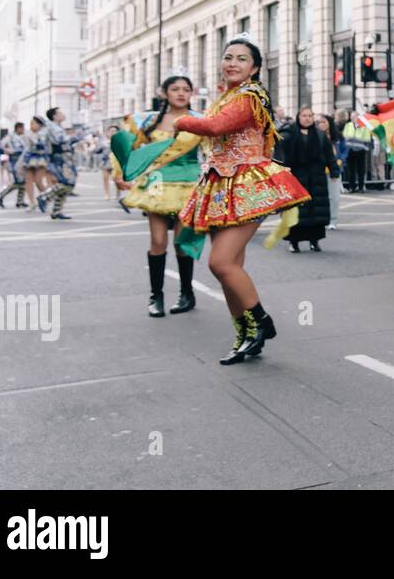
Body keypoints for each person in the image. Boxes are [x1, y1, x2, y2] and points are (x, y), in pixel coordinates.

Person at [175, 36, 311, 364]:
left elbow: (215, 126)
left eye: (241, 58)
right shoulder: (229, 96)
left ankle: (262, 323)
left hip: (249, 185)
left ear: (255, 68)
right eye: (228, 57)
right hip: (221, 186)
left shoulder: (250, 96)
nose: (232, 63)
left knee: (219, 262)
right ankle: (246, 335)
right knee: (230, 267)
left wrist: (180, 119)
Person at [112, 72, 203, 317]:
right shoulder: (148, 121)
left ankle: (186, 293)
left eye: (186, 89)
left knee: (182, 244)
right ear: (164, 93)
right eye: (175, 89)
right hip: (158, 185)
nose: (181, 93)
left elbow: (216, 151)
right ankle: (156, 296)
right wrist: (119, 172)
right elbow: (123, 142)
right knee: (158, 242)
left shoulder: (201, 120)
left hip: (188, 185)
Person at [276, 106, 338, 253]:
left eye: (310, 115)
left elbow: (329, 154)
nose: (307, 118)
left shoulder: (320, 134)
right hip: (295, 177)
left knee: (315, 212)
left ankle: (314, 241)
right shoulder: (289, 133)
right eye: (304, 115)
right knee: (295, 211)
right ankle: (294, 242)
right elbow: (280, 154)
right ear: (298, 117)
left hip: (316, 178)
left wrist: (334, 171)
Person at [40, 107, 78, 220]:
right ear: (55, 116)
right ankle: (45, 197)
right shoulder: (53, 127)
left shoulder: (55, 127)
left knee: (65, 183)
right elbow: (61, 140)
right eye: (60, 113)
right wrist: (75, 137)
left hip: (62, 157)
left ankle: (56, 210)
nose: (62, 114)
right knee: (68, 182)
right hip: (60, 157)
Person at [315, 113, 342, 230]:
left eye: (324, 122)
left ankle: (333, 220)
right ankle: (321, 219)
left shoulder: (337, 138)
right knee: (320, 197)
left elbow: (344, 150)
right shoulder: (315, 137)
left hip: (333, 170)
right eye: (319, 122)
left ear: (329, 123)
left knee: (334, 197)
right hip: (319, 171)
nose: (321, 124)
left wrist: (340, 160)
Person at [0, 123, 30, 209]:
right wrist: (8, 150)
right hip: (14, 159)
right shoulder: (10, 136)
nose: (23, 130)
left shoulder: (23, 136)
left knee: (23, 181)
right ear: (18, 128)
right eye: (22, 128)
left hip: (22, 159)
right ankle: (0, 196)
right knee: (18, 181)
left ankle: (20, 201)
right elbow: (0, 145)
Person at [342, 112, 371, 192]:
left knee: (361, 169)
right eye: (354, 117)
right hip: (350, 150)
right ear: (351, 118)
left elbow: (367, 138)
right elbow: (345, 136)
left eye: (357, 117)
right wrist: (355, 138)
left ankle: (361, 187)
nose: (355, 118)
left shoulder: (364, 126)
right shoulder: (348, 125)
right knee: (351, 170)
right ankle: (352, 187)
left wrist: (354, 138)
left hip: (360, 150)